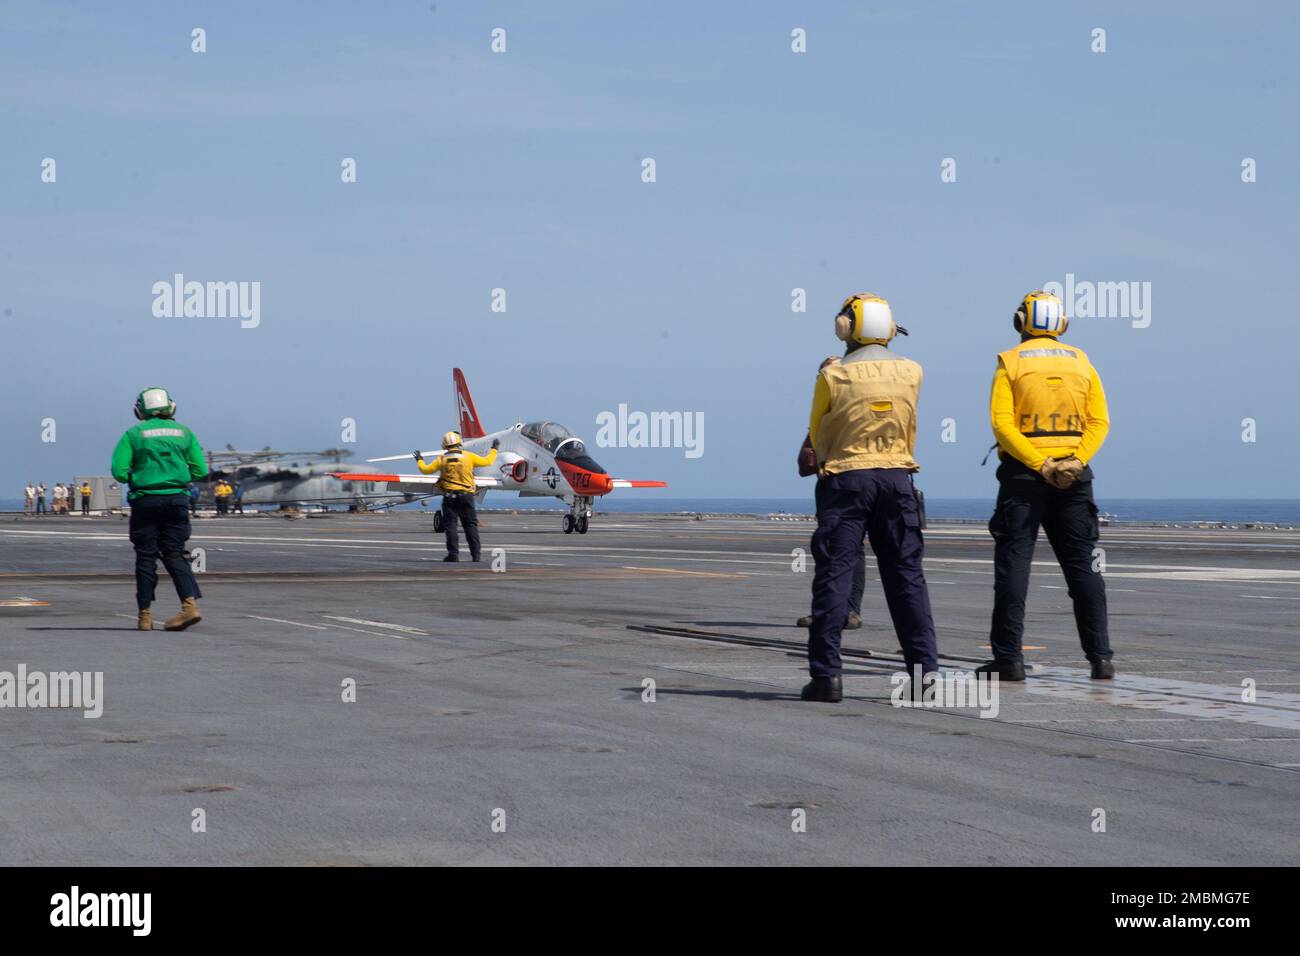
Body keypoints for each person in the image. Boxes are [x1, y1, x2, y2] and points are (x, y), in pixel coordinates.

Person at [803, 293, 939, 703]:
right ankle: (925, 675)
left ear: (846, 327)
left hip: (846, 482)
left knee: (834, 577)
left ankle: (827, 677)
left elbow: (817, 435)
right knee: (907, 578)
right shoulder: (913, 371)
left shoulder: (833, 376)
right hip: (898, 480)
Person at [980, 290, 1114, 681]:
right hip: (1074, 478)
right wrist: (1074, 461)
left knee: (1014, 568)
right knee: (1084, 569)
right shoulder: (1082, 362)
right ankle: (1101, 657)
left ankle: (1009, 660)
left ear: (1021, 322)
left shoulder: (1010, 361)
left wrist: (1042, 463)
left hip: (1024, 478)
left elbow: (1002, 426)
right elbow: (1099, 422)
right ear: (1062, 324)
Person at [110, 386, 208, 631]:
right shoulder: (185, 433)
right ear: (171, 407)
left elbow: (118, 472)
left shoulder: (133, 434)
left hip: (145, 501)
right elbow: (201, 470)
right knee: (175, 553)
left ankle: (145, 616)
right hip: (176, 500)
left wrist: (138, 475)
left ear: (139, 410)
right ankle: (189, 606)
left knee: (145, 558)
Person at [796, 356, 866, 631]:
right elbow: (805, 464)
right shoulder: (823, 414)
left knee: (849, 547)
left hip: (848, 481)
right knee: (828, 548)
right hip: (832, 482)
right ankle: (831, 609)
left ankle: (849, 610)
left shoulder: (852, 409)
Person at [415, 431, 498, 562]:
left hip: (449, 498)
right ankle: (476, 555)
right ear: (459, 442)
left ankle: (453, 555)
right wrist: (494, 449)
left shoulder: (441, 459)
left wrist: (419, 460)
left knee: (451, 526)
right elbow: (488, 461)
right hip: (467, 497)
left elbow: (425, 470)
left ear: (444, 445)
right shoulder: (468, 456)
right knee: (470, 526)